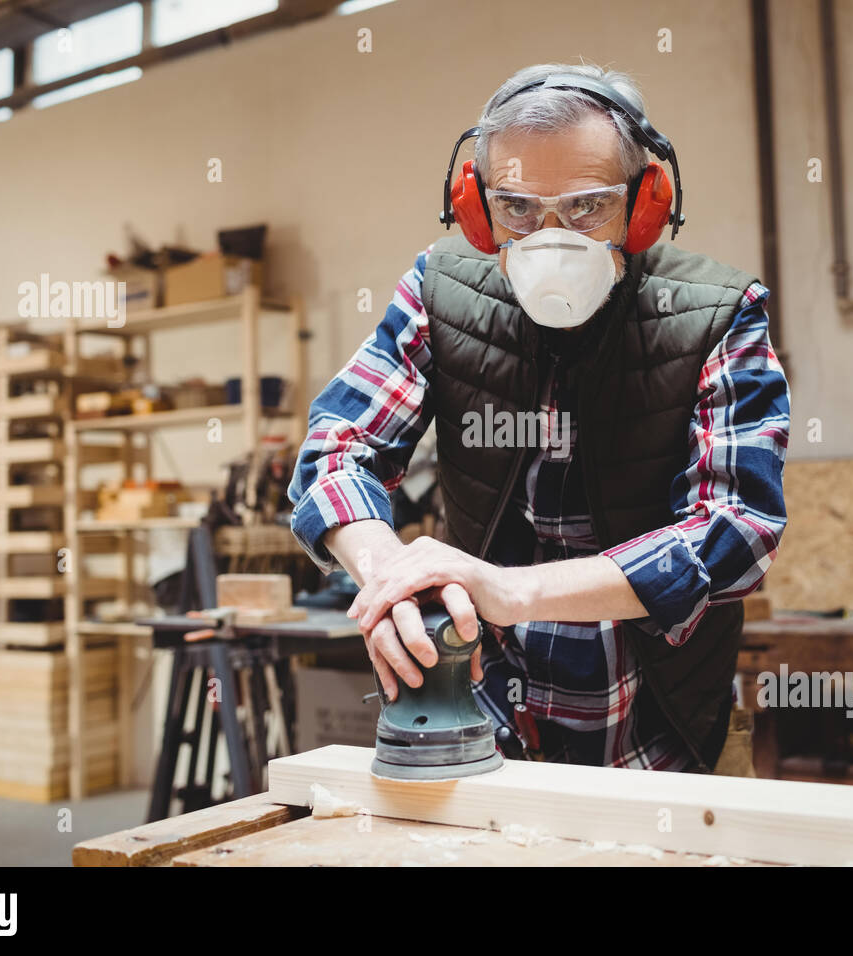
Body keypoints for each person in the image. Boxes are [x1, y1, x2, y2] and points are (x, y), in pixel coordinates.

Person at [289, 63, 790, 772]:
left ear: (647, 203)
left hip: (661, 726)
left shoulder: (718, 314)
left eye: (588, 207)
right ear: (476, 205)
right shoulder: (440, 291)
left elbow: (737, 527)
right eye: (518, 207)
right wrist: (387, 576)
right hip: (486, 717)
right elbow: (335, 451)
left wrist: (516, 592)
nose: (551, 237)